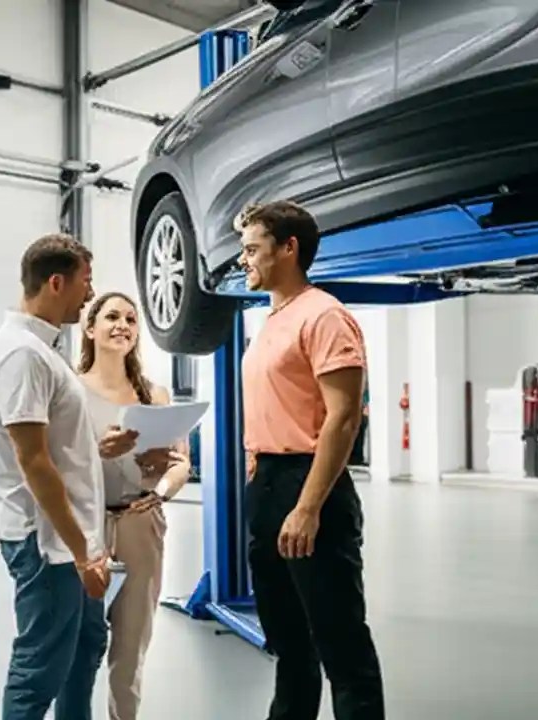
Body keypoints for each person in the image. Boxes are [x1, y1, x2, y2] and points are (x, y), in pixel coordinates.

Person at [235, 200, 385, 720]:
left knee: (342, 646)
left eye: (252, 248)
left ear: (289, 248)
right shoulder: (271, 319)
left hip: (309, 483)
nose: (243, 259)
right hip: (268, 483)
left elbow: (344, 417)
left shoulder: (324, 315)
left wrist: (307, 507)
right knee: (289, 643)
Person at [0, 233, 139, 720]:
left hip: (74, 539)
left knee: (85, 648)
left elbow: (54, 447)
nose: (90, 294)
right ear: (56, 282)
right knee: (40, 670)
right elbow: (32, 461)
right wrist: (81, 552)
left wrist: (97, 449)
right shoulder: (22, 355)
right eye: (85, 282)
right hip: (49, 543)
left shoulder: (43, 351)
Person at [76, 291, 191, 720]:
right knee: (80, 644)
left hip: (141, 522)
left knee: (131, 648)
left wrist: (161, 491)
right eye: (111, 317)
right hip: (85, 527)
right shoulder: (70, 389)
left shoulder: (154, 395)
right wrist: (99, 452)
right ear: (90, 328)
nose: (122, 325)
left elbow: (180, 464)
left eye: (130, 319)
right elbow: (56, 465)